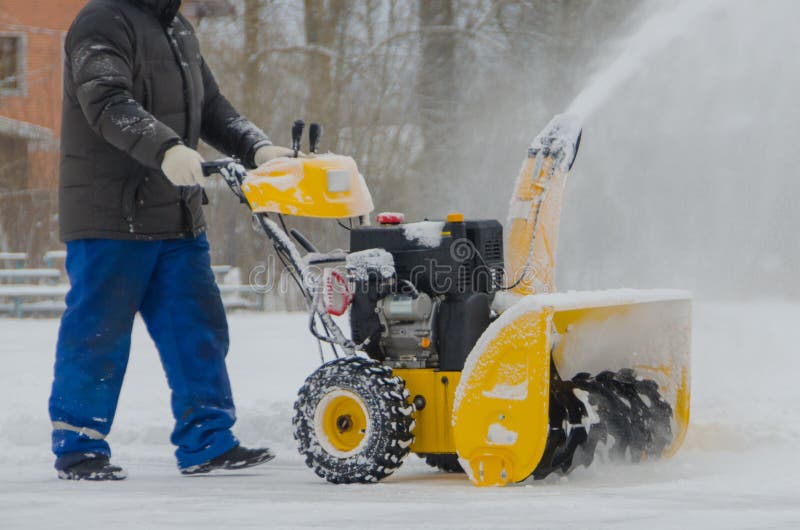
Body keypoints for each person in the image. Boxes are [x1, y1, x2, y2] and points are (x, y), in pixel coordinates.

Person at [49, 0, 293, 480]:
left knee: (197, 329)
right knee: (98, 333)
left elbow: (211, 107)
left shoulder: (176, 27)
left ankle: (208, 441)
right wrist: (165, 148)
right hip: (110, 216)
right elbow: (105, 100)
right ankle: (79, 447)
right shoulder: (101, 21)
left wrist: (256, 146)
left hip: (177, 214)